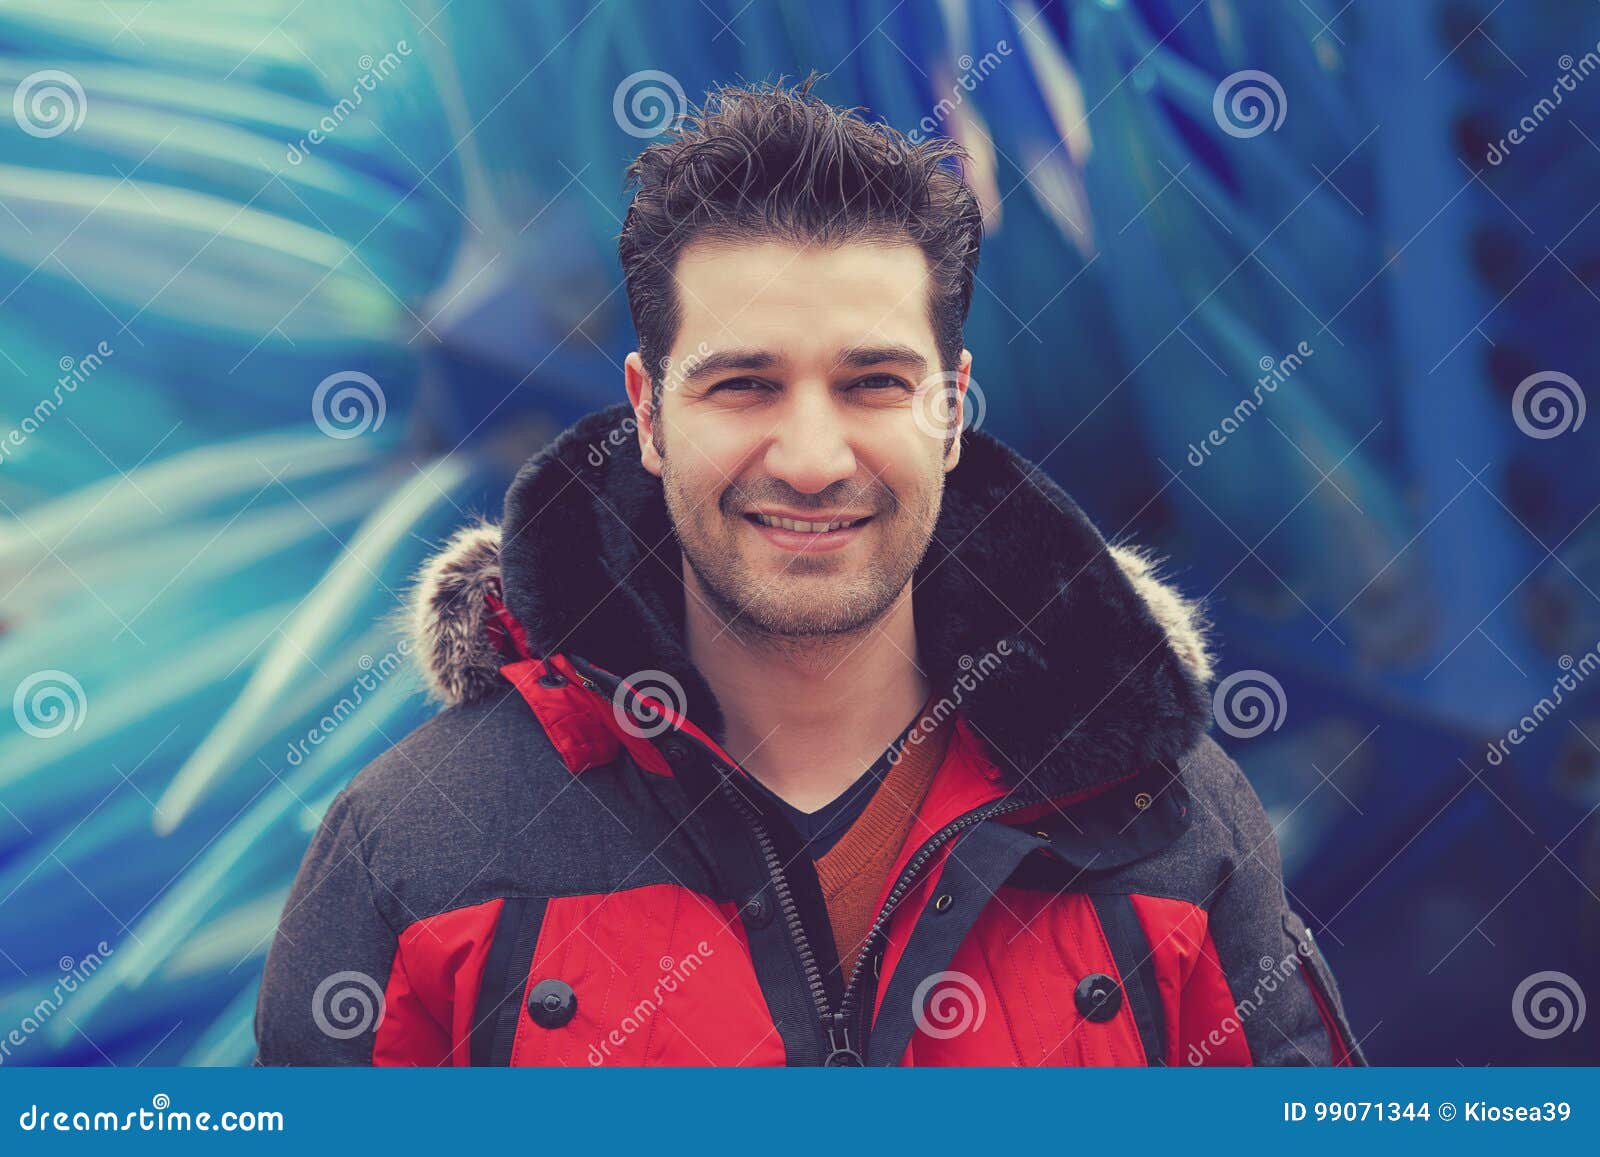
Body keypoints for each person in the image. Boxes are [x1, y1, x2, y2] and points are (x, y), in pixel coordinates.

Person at [254, 75, 1364, 1067]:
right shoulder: (418, 844)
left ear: (949, 406)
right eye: (744, 384)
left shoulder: (1169, 820)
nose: (813, 459)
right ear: (646, 412)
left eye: (873, 381)